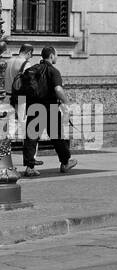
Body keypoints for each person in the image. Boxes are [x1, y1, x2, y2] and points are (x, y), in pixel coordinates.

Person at [12, 47, 76, 175]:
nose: (56, 58)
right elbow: (58, 89)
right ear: (51, 56)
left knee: (31, 137)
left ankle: (30, 167)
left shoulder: (33, 69)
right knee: (56, 136)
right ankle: (65, 162)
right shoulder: (53, 71)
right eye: (56, 55)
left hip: (34, 107)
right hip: (50, 107)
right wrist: (66, 102)